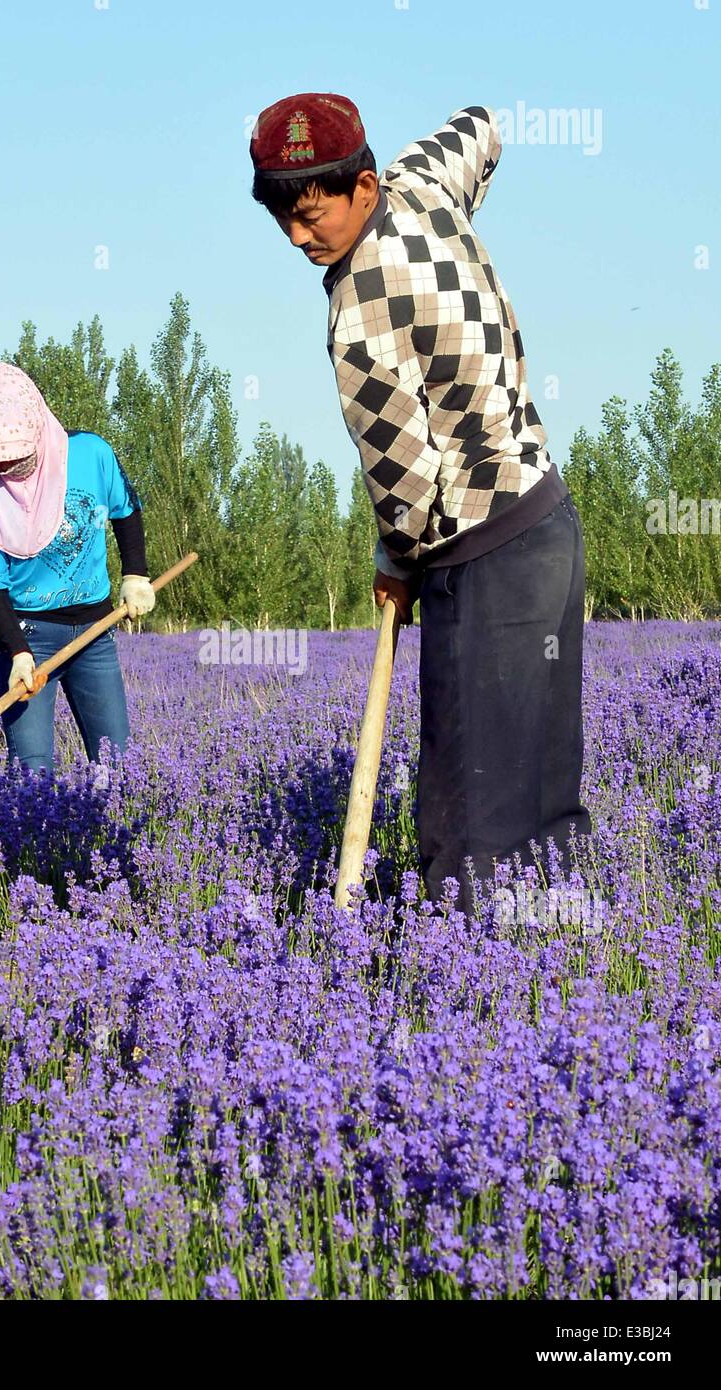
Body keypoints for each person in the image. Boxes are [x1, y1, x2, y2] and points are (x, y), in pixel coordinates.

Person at [250, 94, 592, 917]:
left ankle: (468, 1007)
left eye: (310, 214)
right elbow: (479, 127)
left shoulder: (358, 309)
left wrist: (394, 568)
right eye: (283, 220)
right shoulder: (423, 182)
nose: (299, 238)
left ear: (362, 185)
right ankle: (557, 970)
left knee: (470, 813)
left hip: (478, 553)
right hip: (547, 519)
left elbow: (403, 485)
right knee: (543, 795)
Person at [0, 360, 155, 775]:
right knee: (31, 773)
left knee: (116, 764)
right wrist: (17, 651)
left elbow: (125, 509)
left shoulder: (90, 454)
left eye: (18, 460)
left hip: (95, 630)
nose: (9, 471)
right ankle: (33, 842)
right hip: (28, 634)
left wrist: (135, 575)